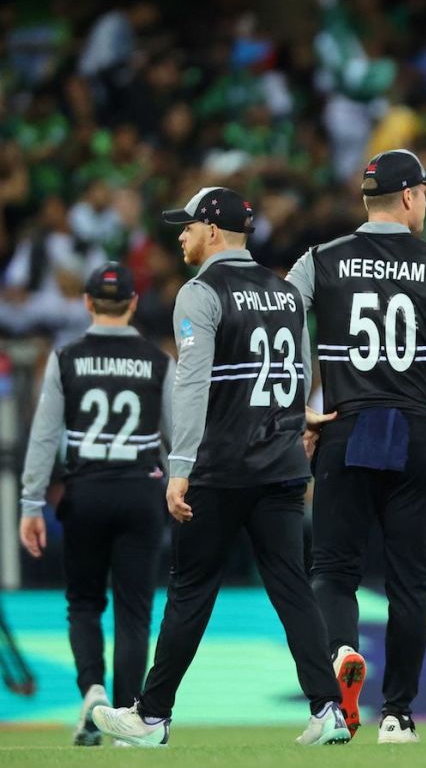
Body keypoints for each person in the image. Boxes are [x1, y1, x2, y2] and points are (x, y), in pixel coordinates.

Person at [90, 188, 349, 747]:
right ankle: (327, 707)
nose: (181, 235)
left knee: (190, 591)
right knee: (292, 587)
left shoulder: (200, 292)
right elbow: (302, 370)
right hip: (281, 464)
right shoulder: (285, 293)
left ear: (211, 230)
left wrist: (179, 465)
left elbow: (191, 384)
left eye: (187, 226)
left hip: (222, 466)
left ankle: (151, 716)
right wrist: (294, 419)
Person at [285, 150, 426, 743]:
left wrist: (299, 407)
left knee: (333, 572)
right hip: (416, 431)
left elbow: (277, 327)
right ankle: (397, 715)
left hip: (344, 425)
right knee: (410, 584)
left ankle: (340, 653)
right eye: (425, 193)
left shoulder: (318, 260)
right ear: (409, 196)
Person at [18, 262, 173, 746]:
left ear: (87, 303)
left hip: (85, 491)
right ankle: (128, 718)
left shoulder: (67, 358)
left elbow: (44, 437)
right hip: (141, 492)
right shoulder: (157, 361)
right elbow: (180, 436)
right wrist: (180, 487)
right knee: (134, 611)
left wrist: (30, 503)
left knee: (84, 602)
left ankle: (92, 690)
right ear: (133, 303)